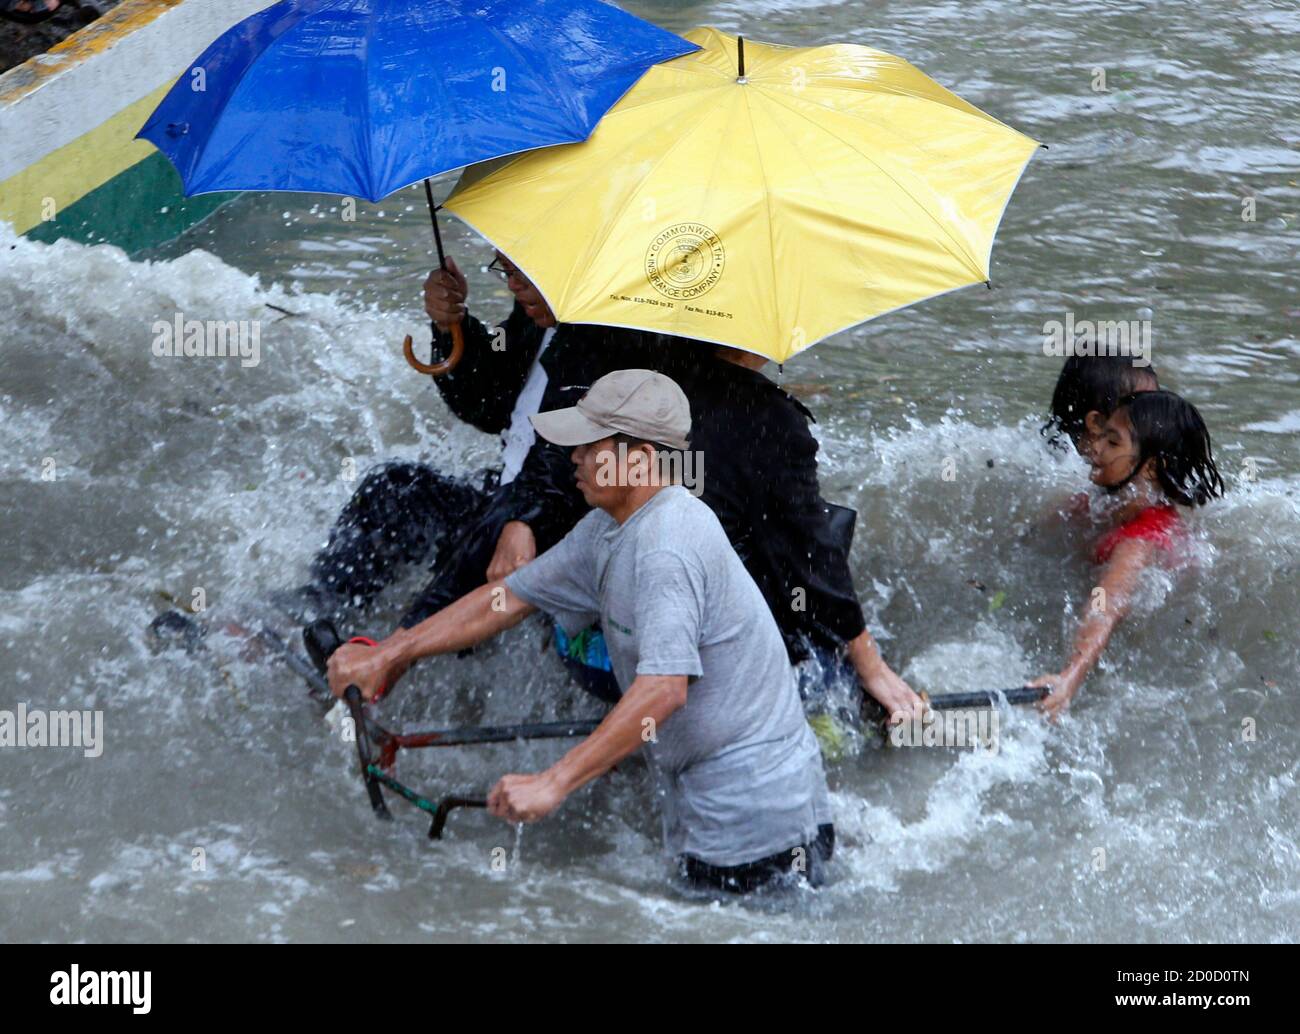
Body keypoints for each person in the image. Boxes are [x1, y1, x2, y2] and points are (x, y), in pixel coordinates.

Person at [326, 370, 835, 894]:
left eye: (588, 446)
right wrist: (392, 653)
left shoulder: (667, 545)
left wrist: (554, 782)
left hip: (760, 827)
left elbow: (663, 690)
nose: (572, 457)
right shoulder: (608, 528)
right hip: (706, 805)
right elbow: (509, 597)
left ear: (637, 460)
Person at [284, 252, 688, 629]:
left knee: (469, 552)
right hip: (511, 492)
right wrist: (452, 327)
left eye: (523, 271)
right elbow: (490, 406)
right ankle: (321, 609)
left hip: (560, 514)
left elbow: (570, 451)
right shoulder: (539, 310)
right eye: (506, 268)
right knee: (392, 490)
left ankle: (385, 654)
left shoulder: (609, 332)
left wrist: (523, 518)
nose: (514, 284)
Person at [1032, 390, 1225, 718]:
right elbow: (1033, 538)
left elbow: (1106, 606)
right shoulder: (1103, 503)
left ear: (1150, 467)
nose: (1096, 448)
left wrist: (1069, 677)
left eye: (1112, 442)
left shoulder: (1142, 539)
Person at [1043, 354, 1160, 454]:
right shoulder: (1070, 476)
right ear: (1097, 422)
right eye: (1144, 410)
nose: (1158, 420)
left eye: (1155, 405)